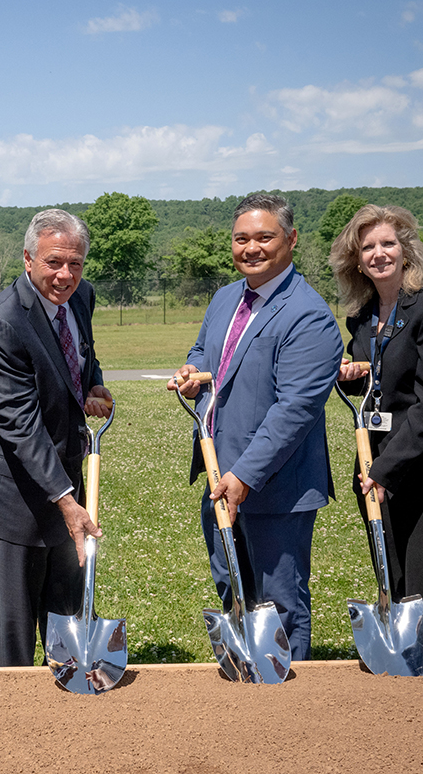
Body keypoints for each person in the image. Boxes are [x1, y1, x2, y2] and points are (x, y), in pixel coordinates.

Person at [169, 193, 342, 660]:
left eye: (264, 237)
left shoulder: (308, 315)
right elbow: (204, 351)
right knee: (233, 591)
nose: (251, 248)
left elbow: (296, 409)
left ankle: (287, 695)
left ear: (291, 239)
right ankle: (247, 687)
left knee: (279, 605)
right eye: (241, 238)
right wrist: (193, 370)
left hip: (275, 487)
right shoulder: (226, 297)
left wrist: (245, 474)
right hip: (218, 472)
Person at [0, 208, 113, 666]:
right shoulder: (0, 323)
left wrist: (93, 383)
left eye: (75, 264)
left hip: (63, 480)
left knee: (68, 607)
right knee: (17, 627)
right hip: (10, 493)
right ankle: (15, 701)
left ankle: (68, 687)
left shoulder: (81, 297)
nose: (65, 275)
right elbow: (18, 423)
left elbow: (82, 354)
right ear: (27, 258)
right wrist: (66, 499)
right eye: (53, 262)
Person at [331, 204, 423, 600]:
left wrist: (387, 469)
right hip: (373, 461)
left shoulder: (420, 308)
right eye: (368, 247)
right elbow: (376, 378)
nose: (378, 254)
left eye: (388, 244)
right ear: (357, 261)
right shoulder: (362, 317)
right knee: (390, 574)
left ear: (406, 251)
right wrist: (351, 375)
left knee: (418, 580)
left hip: (412, 463)